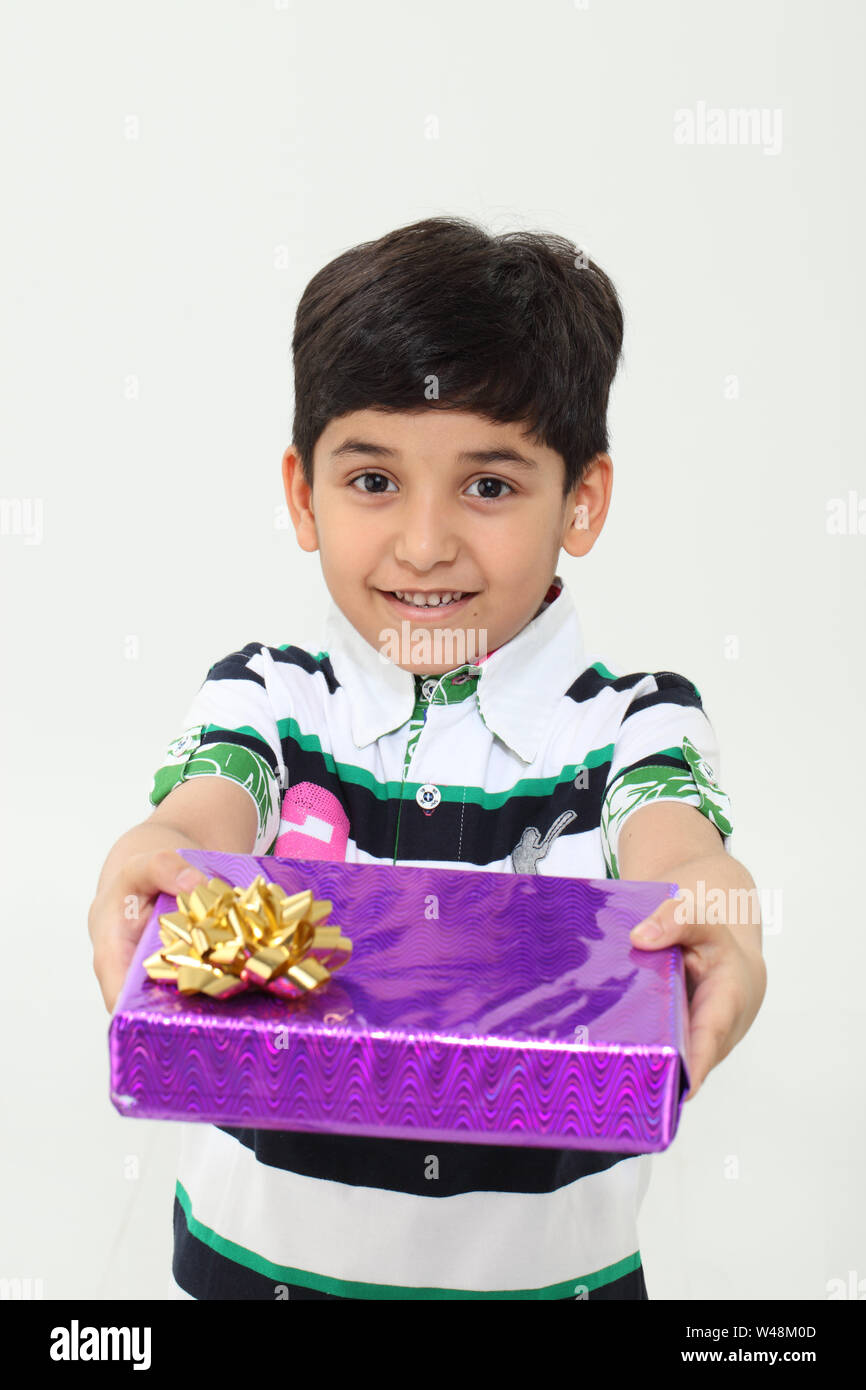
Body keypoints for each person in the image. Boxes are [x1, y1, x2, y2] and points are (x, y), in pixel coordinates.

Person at [88, 215, 767, 1300]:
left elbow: (674, 840)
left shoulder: (632, 723)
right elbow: (207, 810)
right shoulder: (267, 697)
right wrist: (160, 851)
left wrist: (714, 900)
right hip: (247, 1275)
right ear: (303, 495)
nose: (423, 543)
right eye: (373, 481)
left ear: (580, 499)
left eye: (488, 486)